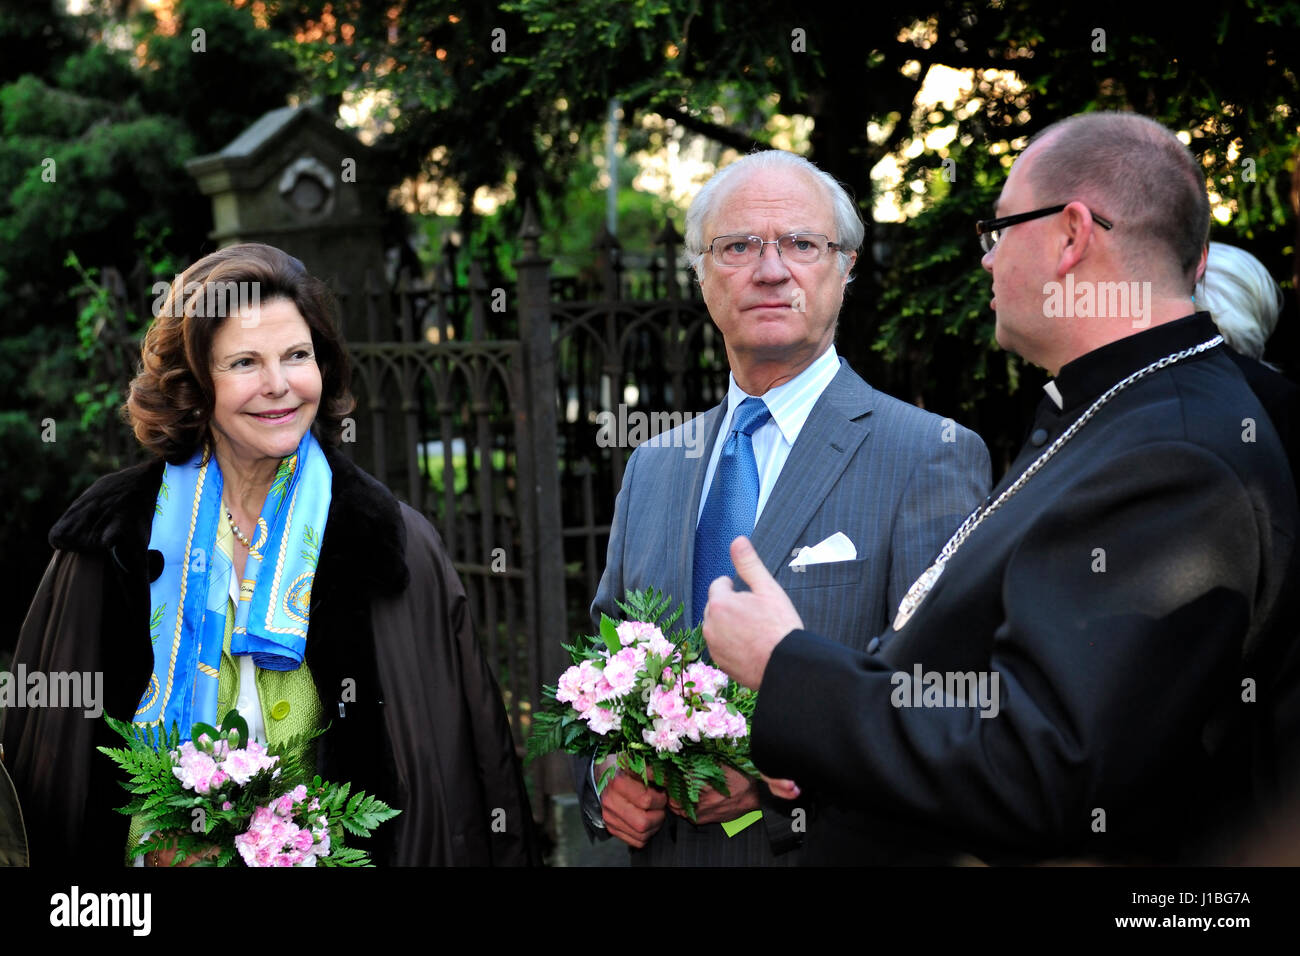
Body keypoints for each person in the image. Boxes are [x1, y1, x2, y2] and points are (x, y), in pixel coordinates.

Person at [703, 111, 1298, 865]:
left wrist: (787, 669)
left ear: (1072, 235)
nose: (986, 262)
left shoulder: (1171, 455)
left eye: (999, 230)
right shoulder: (1112, 411)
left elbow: (1045, 770)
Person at [1, 243, 538, 866]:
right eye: (244, 362)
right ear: (194, 385)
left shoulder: (392, 541)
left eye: (297, 355)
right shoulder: (110, 537)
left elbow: (466, 761)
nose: (279, 386)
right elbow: (48, 764)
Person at [581, 150, 991, 865]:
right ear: (702, 274)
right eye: (737, 246)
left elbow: (943, 706)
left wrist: (781, 783)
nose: (771, 270)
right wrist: (604, 776)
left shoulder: (928, 454)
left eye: (802, 244)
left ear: (846, 266)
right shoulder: (653, 466)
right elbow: (600, 669)